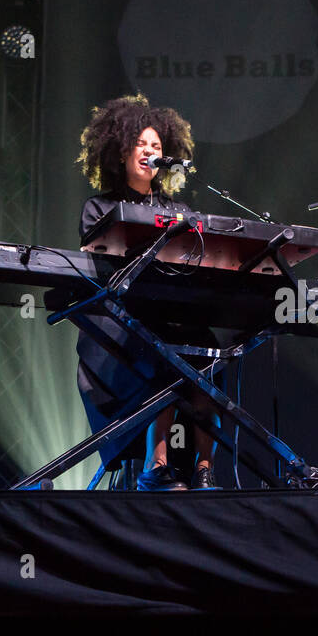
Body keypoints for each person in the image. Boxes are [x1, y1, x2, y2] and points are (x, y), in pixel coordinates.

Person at [74, 93, 221, 491]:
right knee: (161, 353)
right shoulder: (98, 207)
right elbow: (101, 266)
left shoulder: (180, 210)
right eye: (141, 144)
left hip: (172, 316)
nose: (149, 151)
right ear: (121, 152)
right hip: (119, 327)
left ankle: (204, 469)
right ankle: (154, 468)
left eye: (156, 146)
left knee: (209, 359)